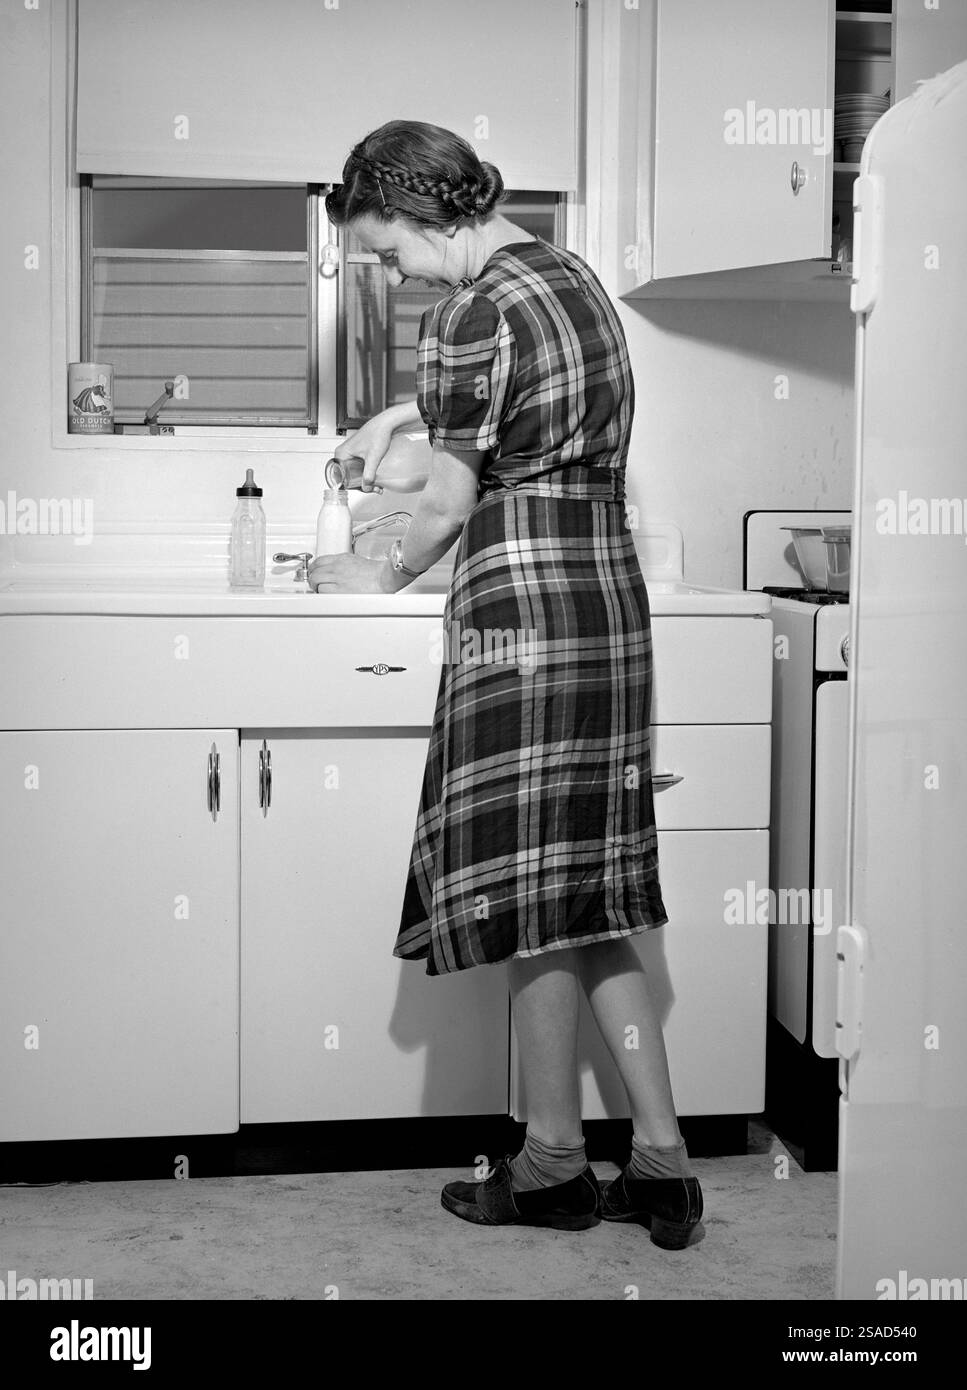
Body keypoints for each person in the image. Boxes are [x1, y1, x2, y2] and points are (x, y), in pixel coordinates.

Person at [311, 121, 703, 1249]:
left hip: (520, 612)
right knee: (592, 890)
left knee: (529, 898)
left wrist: (371, 570)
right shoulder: (576, 277)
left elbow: (441, 500)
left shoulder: (472, 310)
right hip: (605, 606)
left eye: (389, 251)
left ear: (424, 208)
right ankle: (664, 1164)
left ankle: (550, 1169)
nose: (392, 274)